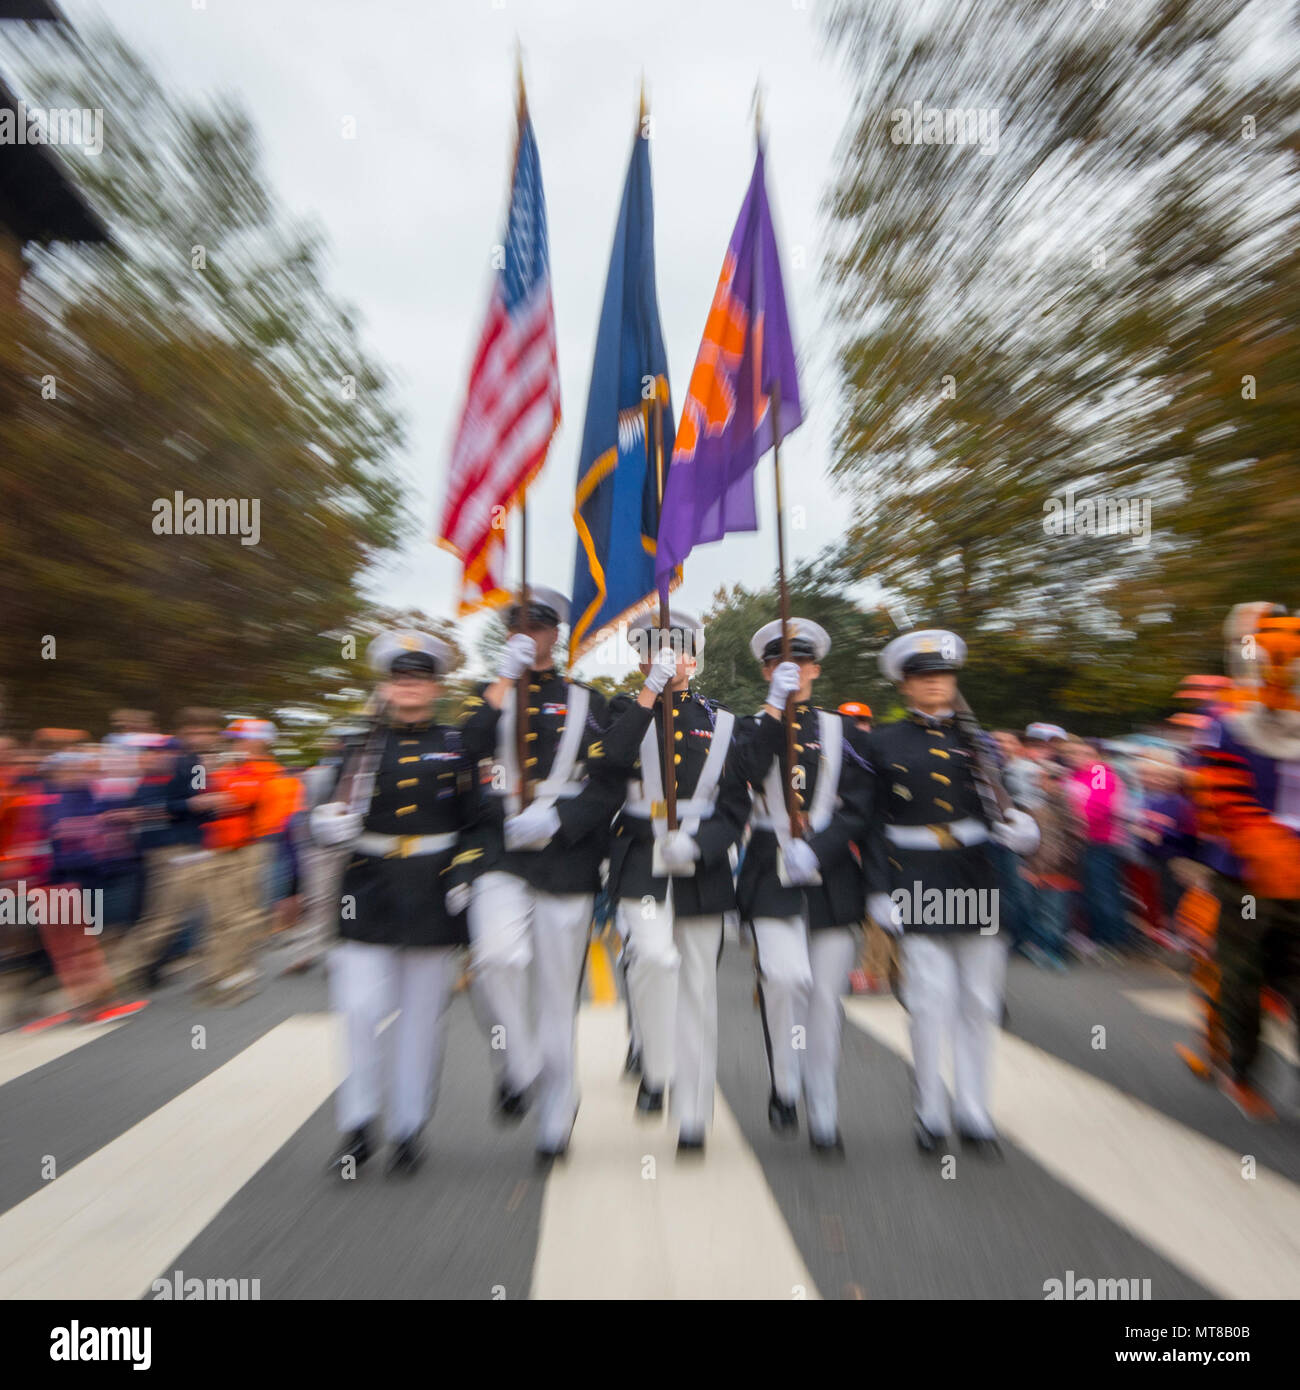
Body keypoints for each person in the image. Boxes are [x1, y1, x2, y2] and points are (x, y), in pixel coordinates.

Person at [458, 587, 619, 1165]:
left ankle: (557, 1112)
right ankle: (519, 1063)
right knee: (496, 959)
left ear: (557, 633)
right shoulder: (490, 696)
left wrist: (561, 818)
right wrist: (501, 684)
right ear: (508, 633)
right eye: (518, 623)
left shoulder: (587, 701)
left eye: (540, 624)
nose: (528, 632)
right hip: (500, 855)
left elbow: (608, 783)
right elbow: (463, 753)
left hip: (565, 856)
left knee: (557, 997)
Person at [312, 631, 482, 1175]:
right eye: (400, 678)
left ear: (435, 687)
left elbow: (478, 821)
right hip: (368, 888)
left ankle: (408, 1128)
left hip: (434, 888)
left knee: (420, 1019)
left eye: (420, 678)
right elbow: (329, 809)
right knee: (359, 1009)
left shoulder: (457, 745)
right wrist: (326, 823)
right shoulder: (358, 746)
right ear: (386, 686)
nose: (408, 687)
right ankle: (359, 1123)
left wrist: (468, 873)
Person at [863, 629, 1038, 1158]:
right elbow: (871, 823)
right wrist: (878, 892)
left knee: (979, 1002)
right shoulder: (882, 742)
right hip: (915, 876)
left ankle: (974, 1111)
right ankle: (930, 1112)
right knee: (929, 1000)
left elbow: (1006, 800)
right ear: (904, 685)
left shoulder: (977, 742)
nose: (936, 684)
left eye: (943, 675)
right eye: (924, 677)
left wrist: (1026, 828)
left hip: (975, 873)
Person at [593, 610, 749, 1153]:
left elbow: (735, 806)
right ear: (640, 657)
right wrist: (647, 693)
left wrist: (704, 845)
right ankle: (655, 1065)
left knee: (699, 989)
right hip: (641, 857)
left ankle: (694, 1116)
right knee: (655, 958)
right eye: (656, 649)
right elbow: (609, 761)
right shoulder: (622, 710)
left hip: (700, 864)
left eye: (679, 648)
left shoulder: (721, 719)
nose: (670, 657)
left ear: (694, 656)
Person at [733, 617, 875, 1157]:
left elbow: (860, 808)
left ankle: (824, 1109)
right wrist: (774, 706)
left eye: (798, 662)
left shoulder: (843, 732)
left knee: (824, 1003)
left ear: (815, 667)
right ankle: (784, 1079)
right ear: (766, 670)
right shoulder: (751, 725)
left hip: (829, 869)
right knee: (785, 976)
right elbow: (746, 769)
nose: (789, 670)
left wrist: (818, 848)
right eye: (775, 663)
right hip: (769, 867)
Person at [1188, 604, 1300, 1121]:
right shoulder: (1225, 719)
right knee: (1237, 975)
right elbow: (1212, 797)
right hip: (1244, 878)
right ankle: (1235, 1064)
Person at [1062, 737, 1131, 957]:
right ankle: (1096, 934)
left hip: (1098, 839)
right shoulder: (1074, 774)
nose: (1077, 757)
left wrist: (1077, 825)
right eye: (1073, 753)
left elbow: (1100, 804)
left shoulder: (1099, 772)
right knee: (1090, 888)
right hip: (1082, 839)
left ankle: (1110, 937)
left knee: (1102, 888)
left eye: (1084, 753)